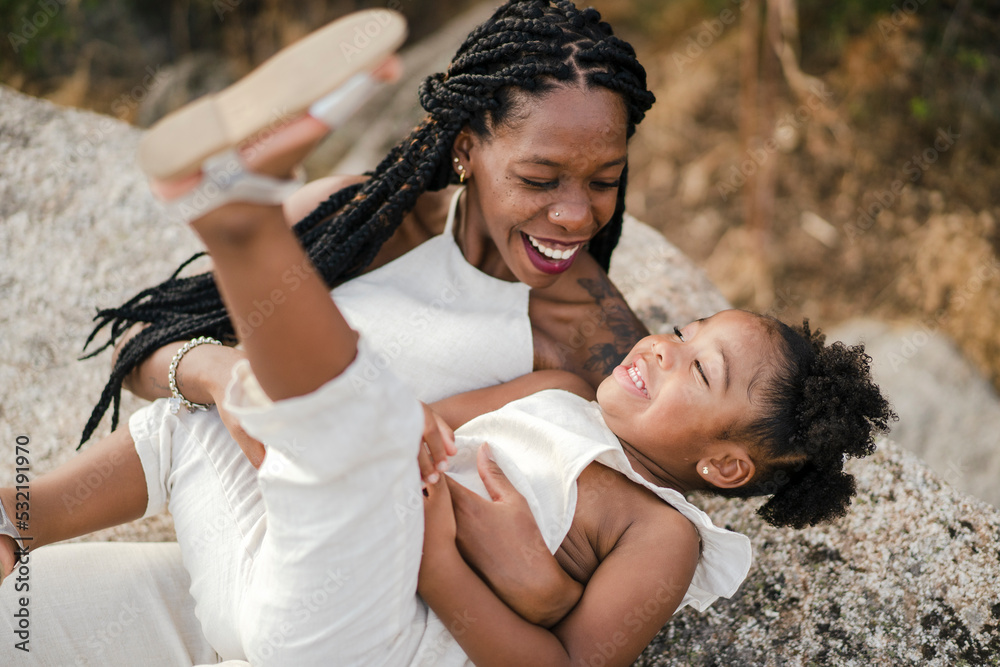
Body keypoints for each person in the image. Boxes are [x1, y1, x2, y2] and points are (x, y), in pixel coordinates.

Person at [0, 14, 894, 663]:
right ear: (466, 149)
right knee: (24, 619)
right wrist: (234, 377)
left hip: (350, 620)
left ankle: (234, 211)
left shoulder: (593, 351)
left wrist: (528, 583)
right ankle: (16, 515)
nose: (573, 215)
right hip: (243, 559)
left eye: (605, 181)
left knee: (360, 420)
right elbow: (153, 350)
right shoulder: (362, 216)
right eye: (540, 176)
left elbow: (576, 586)